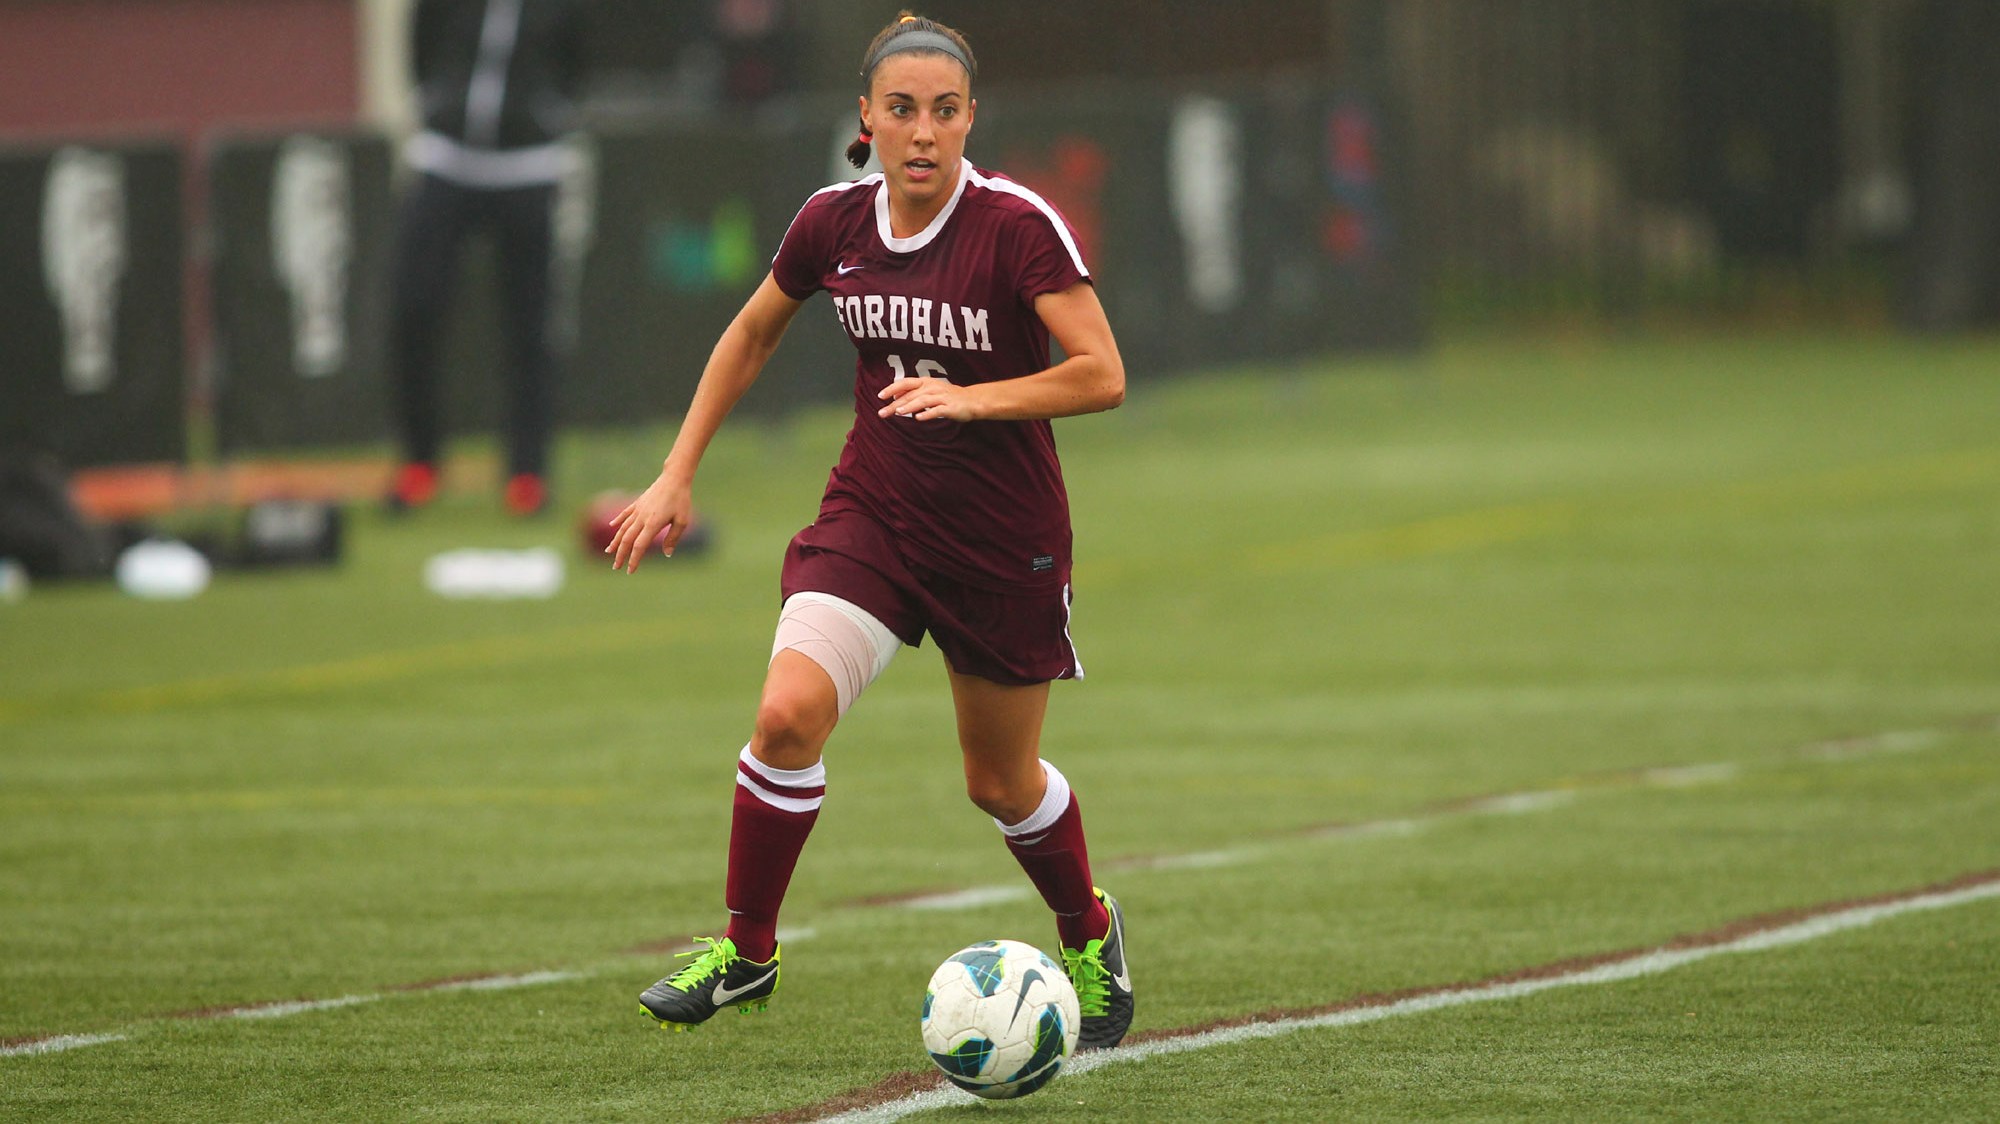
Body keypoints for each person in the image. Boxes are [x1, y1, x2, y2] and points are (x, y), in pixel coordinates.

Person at [605, 12, 1134, 1050]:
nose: (924, 132)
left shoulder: (1016, 225)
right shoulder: (832, 223)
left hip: (999, 537)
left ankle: (1088, 926)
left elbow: (1101, 372)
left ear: (971, 118)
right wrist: (675, 474)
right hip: (877, 514)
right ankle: (745, 950)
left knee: (997, 780)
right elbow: (753, 328)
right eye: (901, 110)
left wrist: (976, 401)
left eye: (944, 111)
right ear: (867, 118)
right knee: (785, 716)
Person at [385, 0, 584, 517]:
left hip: (527, 168)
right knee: (415, 305)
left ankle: (526, 472)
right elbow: (421, 43)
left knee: (529, 326)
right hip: (446, 160)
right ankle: (420, 461)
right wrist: (438, 101)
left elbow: (577, 60)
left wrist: (545, 112)